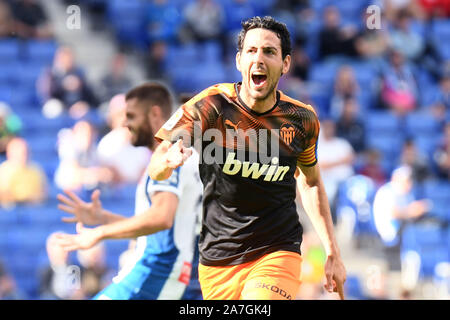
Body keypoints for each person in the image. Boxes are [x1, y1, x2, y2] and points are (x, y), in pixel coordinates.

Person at [148, 16, 346, 300]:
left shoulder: (301, 120)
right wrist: (166, 163)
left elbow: (310, 182)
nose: (259, 58)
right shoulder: (211, 105)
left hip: (277, 251)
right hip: (218, 261)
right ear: (239, 60)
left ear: (286, 64)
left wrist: (332, 252)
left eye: (269, 51)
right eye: (251, 51)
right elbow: (155, 166)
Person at [55, 82, 203, 300]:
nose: (125, 123)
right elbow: (156, 228)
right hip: (165, 272)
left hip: (158, 270)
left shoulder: (172, 154)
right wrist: (103, 217)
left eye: (131, 116)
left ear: (154, 114)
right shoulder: (166, 156)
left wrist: (99, 232)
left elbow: (162, 218)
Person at [372, 165, 429, 269]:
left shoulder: (407, 194)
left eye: (410, 180)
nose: (409, 183)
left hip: (403, 230)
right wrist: (413, 210)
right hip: (389, 232)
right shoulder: (387, 192)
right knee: (410, 230)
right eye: (406, 180)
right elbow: (393, 213)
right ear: (396, 179)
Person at [0, 137, 48, 208]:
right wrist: (22, 198)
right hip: (10, 210)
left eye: (25, 152)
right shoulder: (3, 170)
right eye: (18, 151)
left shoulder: (36, 169)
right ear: (9, 153)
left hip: (33, 208)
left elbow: (44, 192)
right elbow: (3, 195)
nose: (22, 155)